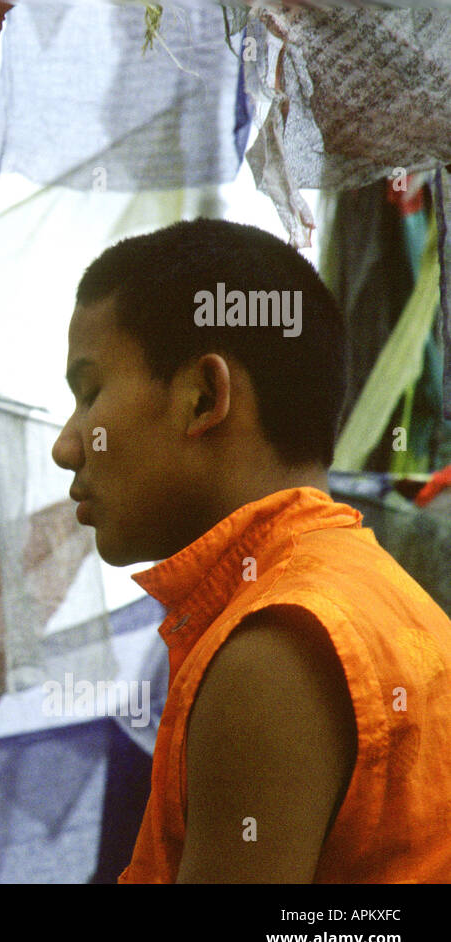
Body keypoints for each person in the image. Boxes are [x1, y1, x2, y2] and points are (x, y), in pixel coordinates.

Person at [51, 217, 451, 883]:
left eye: (90, 392)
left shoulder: (276, 645)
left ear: (204, 396)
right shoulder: (383, 599)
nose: (66, 444)